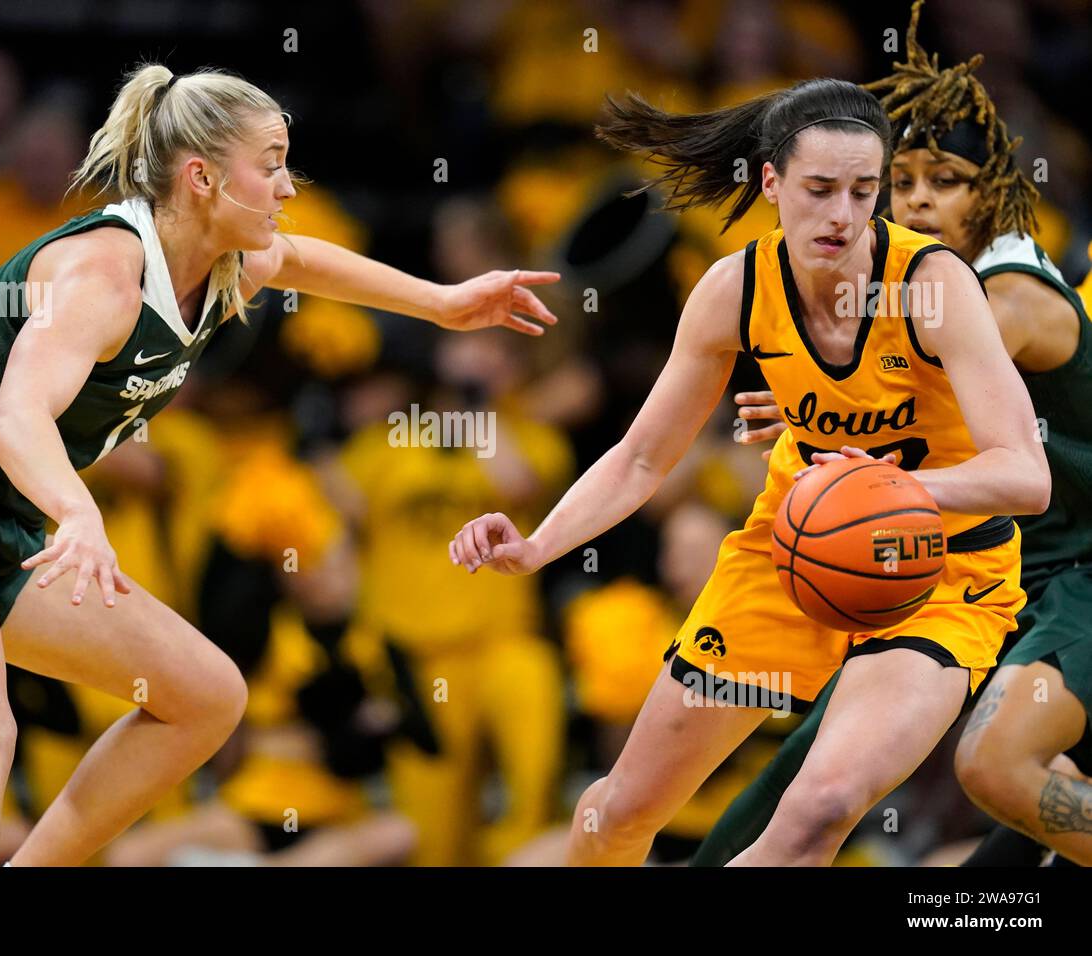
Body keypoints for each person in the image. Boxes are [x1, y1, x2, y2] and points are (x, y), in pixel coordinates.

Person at [0, 63, 560, 867]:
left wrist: (444, 304)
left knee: (205, 697)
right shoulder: (104, 275)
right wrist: (78, 512)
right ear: (201, 176)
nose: (287, 186)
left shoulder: (227, 260)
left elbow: (307, 261)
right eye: (269, 163)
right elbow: (14, 417)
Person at [449, 75, 1049, 866]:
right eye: (820, 189)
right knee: (619, 812)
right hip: (791, 556)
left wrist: (884, 492)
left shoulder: (933, 286)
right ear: (770, 182)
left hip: (937, 574)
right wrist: (539, 545)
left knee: (821, 809)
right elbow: (639, 457)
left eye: (864, 191)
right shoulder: (734, 290)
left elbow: (1025, 474)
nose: (842, 214)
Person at [696, 0, 1092, 867]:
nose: (913, 200)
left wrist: (807, 396)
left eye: (941, 179)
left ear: (996, 191)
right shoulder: (911, 284)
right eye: (899, 181)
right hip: (997, 565)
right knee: (934, 857)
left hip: (1064, 572)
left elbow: (904, 374)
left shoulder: (1002, 294)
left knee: (952, 775)